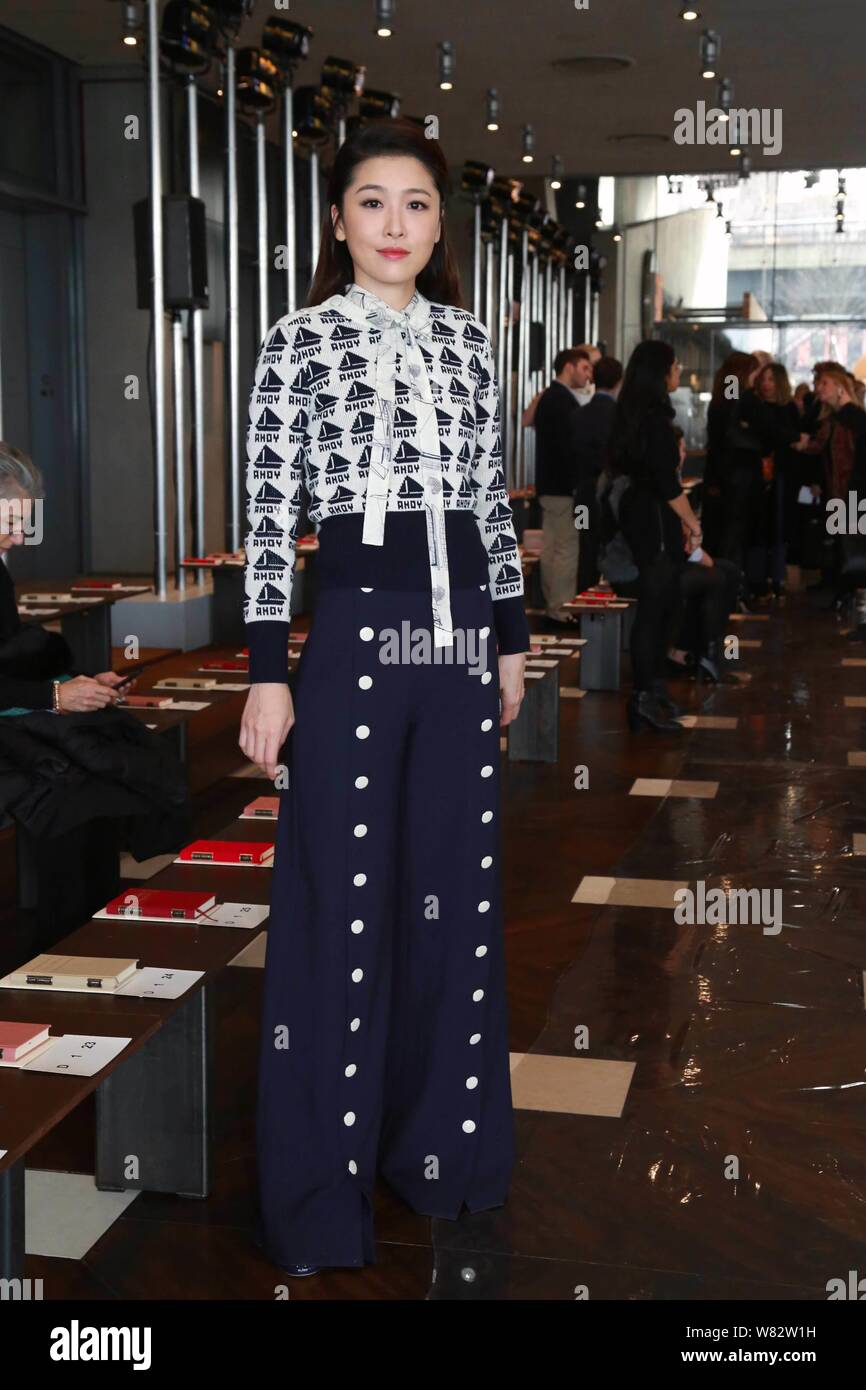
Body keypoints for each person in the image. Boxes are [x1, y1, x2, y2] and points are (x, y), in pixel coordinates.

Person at [239, 117, 529, 1277]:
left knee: (452, 903)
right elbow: (266, 516)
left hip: (459, 646)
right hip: (355, 635)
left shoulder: (468, 344)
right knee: (340, 907)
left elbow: (491, 511)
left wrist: (509, 645)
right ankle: (318, 1195)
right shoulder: (296, 343)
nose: (394, 225)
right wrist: (268, 670)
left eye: (414, 204)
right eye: (372, 201)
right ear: (337, 218)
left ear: (438, 224)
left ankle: (443, 1157)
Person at [609, 341, 702, 733]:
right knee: (654, 606)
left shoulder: (632, 412)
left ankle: (652, 691)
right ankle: (644, 697)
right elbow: (667, 484)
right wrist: (692, 524)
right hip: (653, 522)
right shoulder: (654, 420)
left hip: (643, 517)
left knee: (658, 604)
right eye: (675, 365)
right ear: (661, 373)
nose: (679, 371)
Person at [533, 347, 593, 623]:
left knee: (552, 548)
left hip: (548, 485)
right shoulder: (562, 400)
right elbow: (569, 449)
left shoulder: (550, 398)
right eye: (584, 367)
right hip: (564, 487)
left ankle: (553, 605)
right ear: (568, 367)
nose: (589, 374)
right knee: (566, 549)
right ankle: (561, 608)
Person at [571, 355, 623, 592]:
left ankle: (585, 605)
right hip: (610, 495)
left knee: (586, 548)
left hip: (583, 494)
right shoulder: (620, 416)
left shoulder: (578, 414)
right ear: (618, 382)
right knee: (612, 547)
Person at [520, 343, 600, 427]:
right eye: (587, 367)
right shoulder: (553, 393)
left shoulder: (597, 393)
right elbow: (525, 421)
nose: (592, 370)